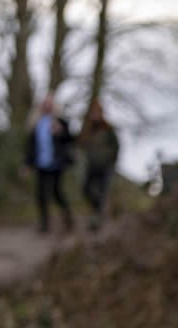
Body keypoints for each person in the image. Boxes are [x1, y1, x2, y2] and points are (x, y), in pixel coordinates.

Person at [21, 95, 75, 233]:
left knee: (57, 192)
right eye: (45, 104)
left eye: (50, 104)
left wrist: (60, 132)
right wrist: (27, 164)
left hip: (57, 164)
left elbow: (70, 140)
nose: (47, 106)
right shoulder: (36, 124)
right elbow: (31, 147)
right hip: (41, 164)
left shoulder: (61, 122)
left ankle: (68, 219)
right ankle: (44, 225)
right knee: (41, 194)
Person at [78, 101, 120, 229]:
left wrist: (111, 161)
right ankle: (97, 211)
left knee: (102, 192)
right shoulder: (88, 130)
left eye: (97, 112)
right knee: (86, 189)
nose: (95, 115)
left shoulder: (108, 129)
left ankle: (96, 219)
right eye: (93, 113)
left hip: (105, 167)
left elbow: (116, 147)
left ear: (101, 113)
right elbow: (82, 144)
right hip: (92, 166)